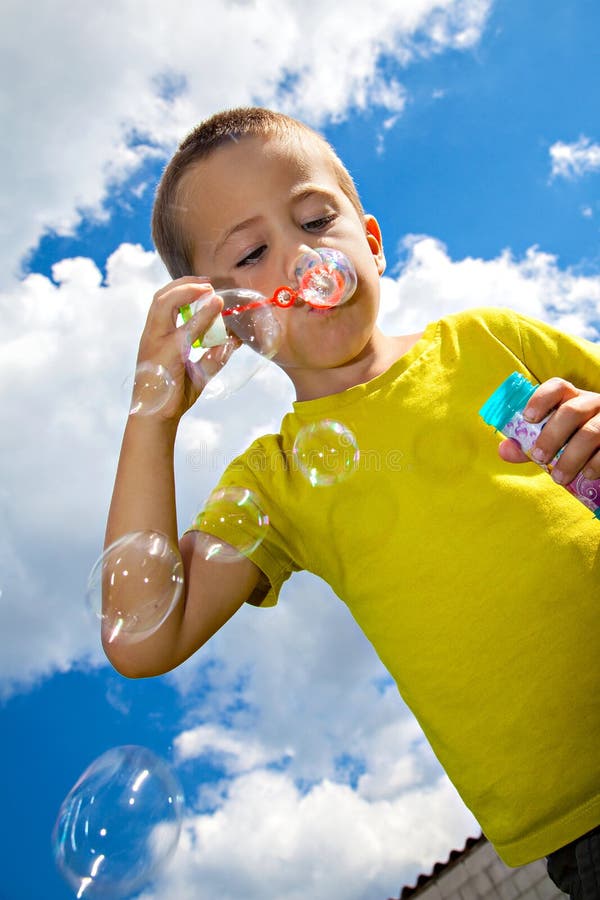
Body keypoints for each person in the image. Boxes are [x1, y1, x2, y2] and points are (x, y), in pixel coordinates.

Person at [104, 107, 600, 897]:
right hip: (584, 823)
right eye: (255, 251)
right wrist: (151, 412)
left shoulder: (487, 341)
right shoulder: (277, 481)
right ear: (229, 322)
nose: (301, 254)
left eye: (315, 219)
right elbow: (144, 637)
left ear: (369, 241)